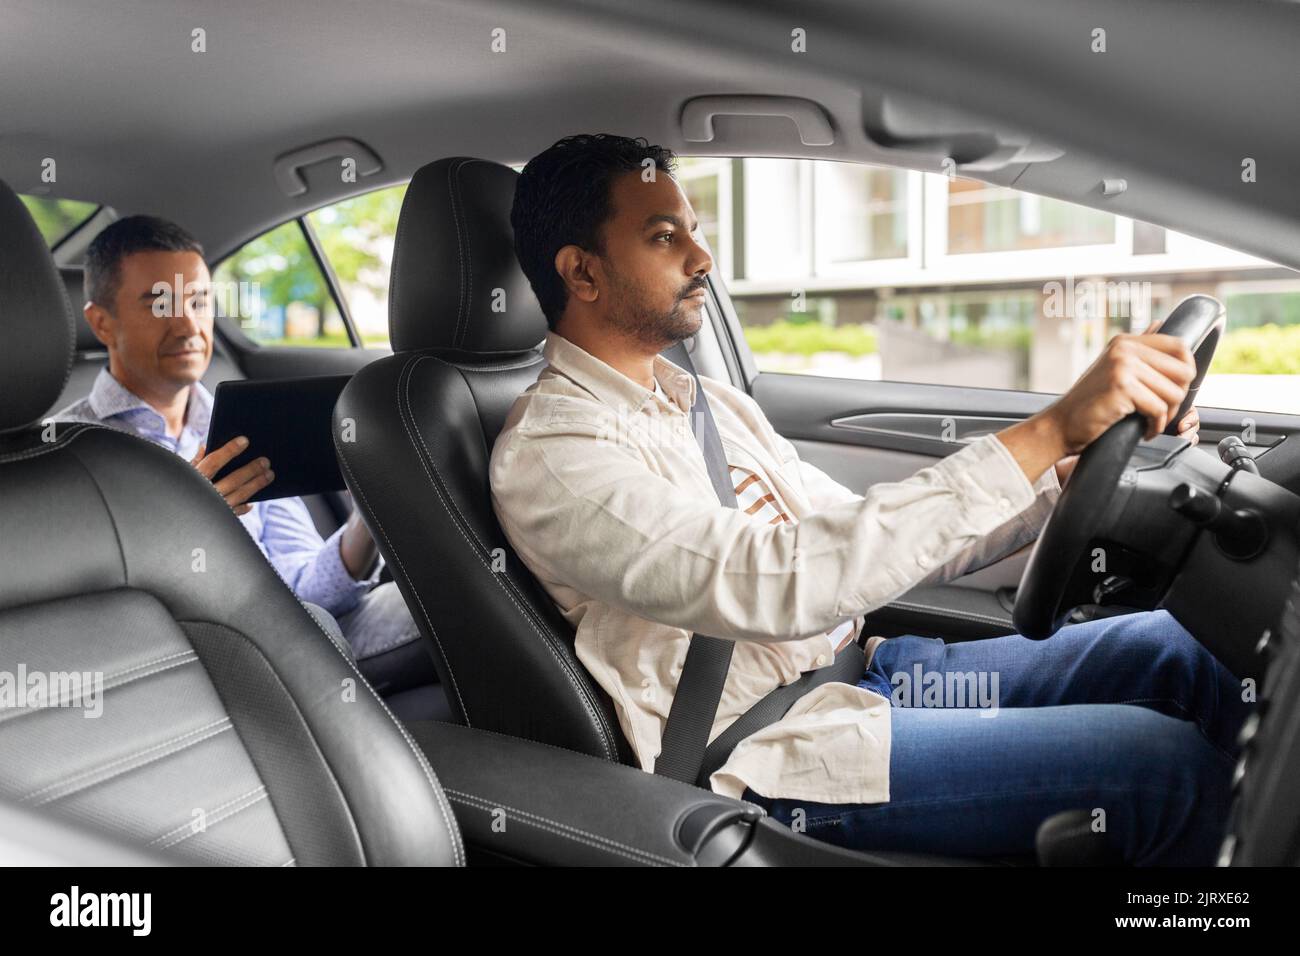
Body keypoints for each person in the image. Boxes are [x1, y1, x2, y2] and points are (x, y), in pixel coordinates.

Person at [491, 133, 1243, 865]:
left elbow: (851, 536)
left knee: (1180, 650)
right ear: (582, 274)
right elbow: (777, 578)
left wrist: (1058, 479)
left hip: (871, 673)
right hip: (776, 752)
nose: (702, 257)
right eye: (664, 237)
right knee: (1164, 767)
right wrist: (1044, 431)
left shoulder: (706, 403)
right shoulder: (554, 454)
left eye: (694, 229)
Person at [54, 216, 432, 694]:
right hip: (174, 664)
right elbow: (91, 620)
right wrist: (184, 520)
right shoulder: (67, 449)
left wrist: (371, 519)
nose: (188, 324)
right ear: (101, 322)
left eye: (198, 301)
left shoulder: (243, 425)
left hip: (296, 633)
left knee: (455, 600)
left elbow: (301, 586)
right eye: (159, 303)